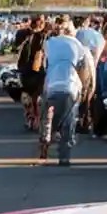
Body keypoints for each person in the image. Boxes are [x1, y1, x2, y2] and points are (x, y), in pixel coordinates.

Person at [39, 18, 94, 166]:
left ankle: (44, 146)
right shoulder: (77, 45)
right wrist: (83, 90)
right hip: (70, 85)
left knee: (47, 118)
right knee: (69, 122)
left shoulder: (48, 44)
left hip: (51, 85)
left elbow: (41, 65)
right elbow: (84, 70)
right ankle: (64, 156)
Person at [16, 15, 49, 131]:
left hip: (33, 68)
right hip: (32, 68)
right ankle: (33, 118)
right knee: (32, 96)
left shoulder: (44, 35)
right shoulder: (27, 34)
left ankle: (33, 118)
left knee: (33, 96)